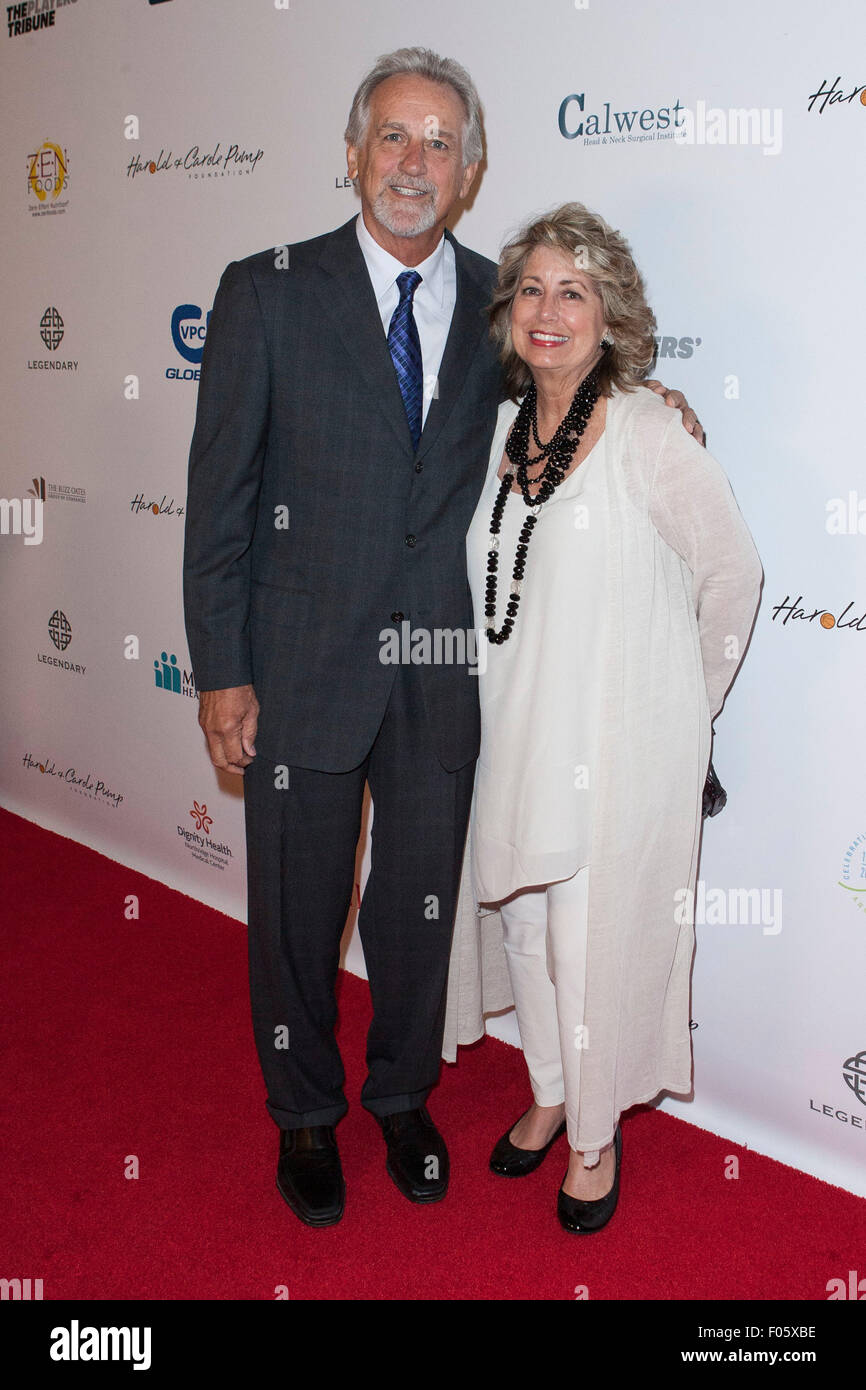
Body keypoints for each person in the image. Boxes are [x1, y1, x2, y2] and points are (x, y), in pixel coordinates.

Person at [183, 49, 699, 1229]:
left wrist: (656, 401)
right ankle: (303, 1111)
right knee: (297, 907)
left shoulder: (495, 304)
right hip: (299, 664)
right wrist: (221, 670)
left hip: (441, 673)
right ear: (352, 152)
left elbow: (573, 391)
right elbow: (218, 502)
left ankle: (401, 1095)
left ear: (468, 172)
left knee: (418, 908)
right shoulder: (266, 291)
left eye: (440, 144)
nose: (415, 163)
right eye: (394, 137)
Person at [463, 203, 762, 1233]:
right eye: (532, 289)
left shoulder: (647, 432)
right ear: (510, 312)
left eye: (573, 291)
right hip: (514, 732)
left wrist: (682, 710)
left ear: (609, 315)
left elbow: (733, 574)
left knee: (591, 945)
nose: (548, 311)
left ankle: (594, 1133)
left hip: (610, 750)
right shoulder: (499, 429)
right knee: (527, 926)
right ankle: (550, 1089)